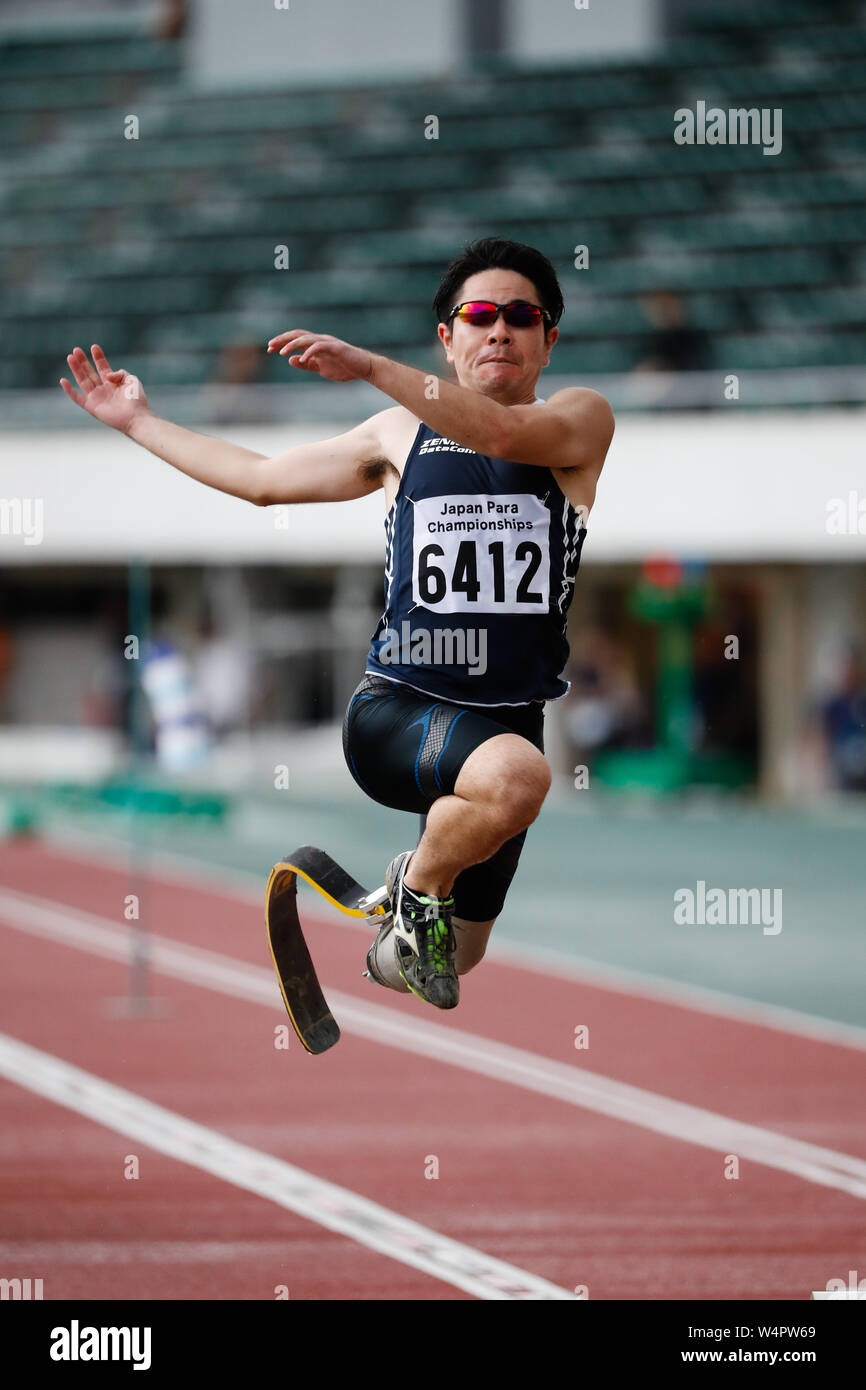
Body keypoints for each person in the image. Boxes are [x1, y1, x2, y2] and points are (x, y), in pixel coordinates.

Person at [59, 237, 614, 1011]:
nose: (500, 332)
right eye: (479, 315)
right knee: (520, 781)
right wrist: (139, 422)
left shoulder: (580, 421)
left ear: (549, 340)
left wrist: (368, 363)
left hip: (508, 724)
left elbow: (503, 436)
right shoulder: (396, 437)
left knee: (467, 951)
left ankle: (413, 886)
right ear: (446, 339)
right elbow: (261, 483)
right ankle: (418, 882)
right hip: (400, 710)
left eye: (522, 317)